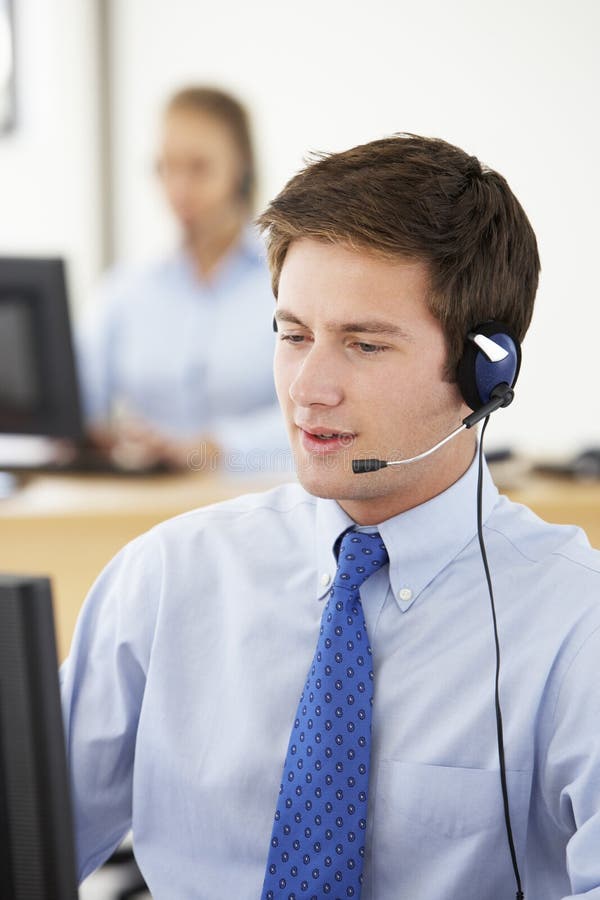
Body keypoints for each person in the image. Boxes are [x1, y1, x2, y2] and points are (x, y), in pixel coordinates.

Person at [61, 134, 600, 899]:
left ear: (488, 373)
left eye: (364, 344)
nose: (308, 388)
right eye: (293, 335)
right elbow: (25, 841)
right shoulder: (166, 578)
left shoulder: (577, 625)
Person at [76, 85, 287, 470]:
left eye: (198, 168)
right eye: (167, 167)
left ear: (241, 170)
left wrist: (216, 448)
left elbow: (323, 414)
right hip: (140, 509)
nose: (179, 189)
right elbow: (78, 403)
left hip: (258, 500)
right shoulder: (126, 290)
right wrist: (96, 438)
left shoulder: (288, 283)